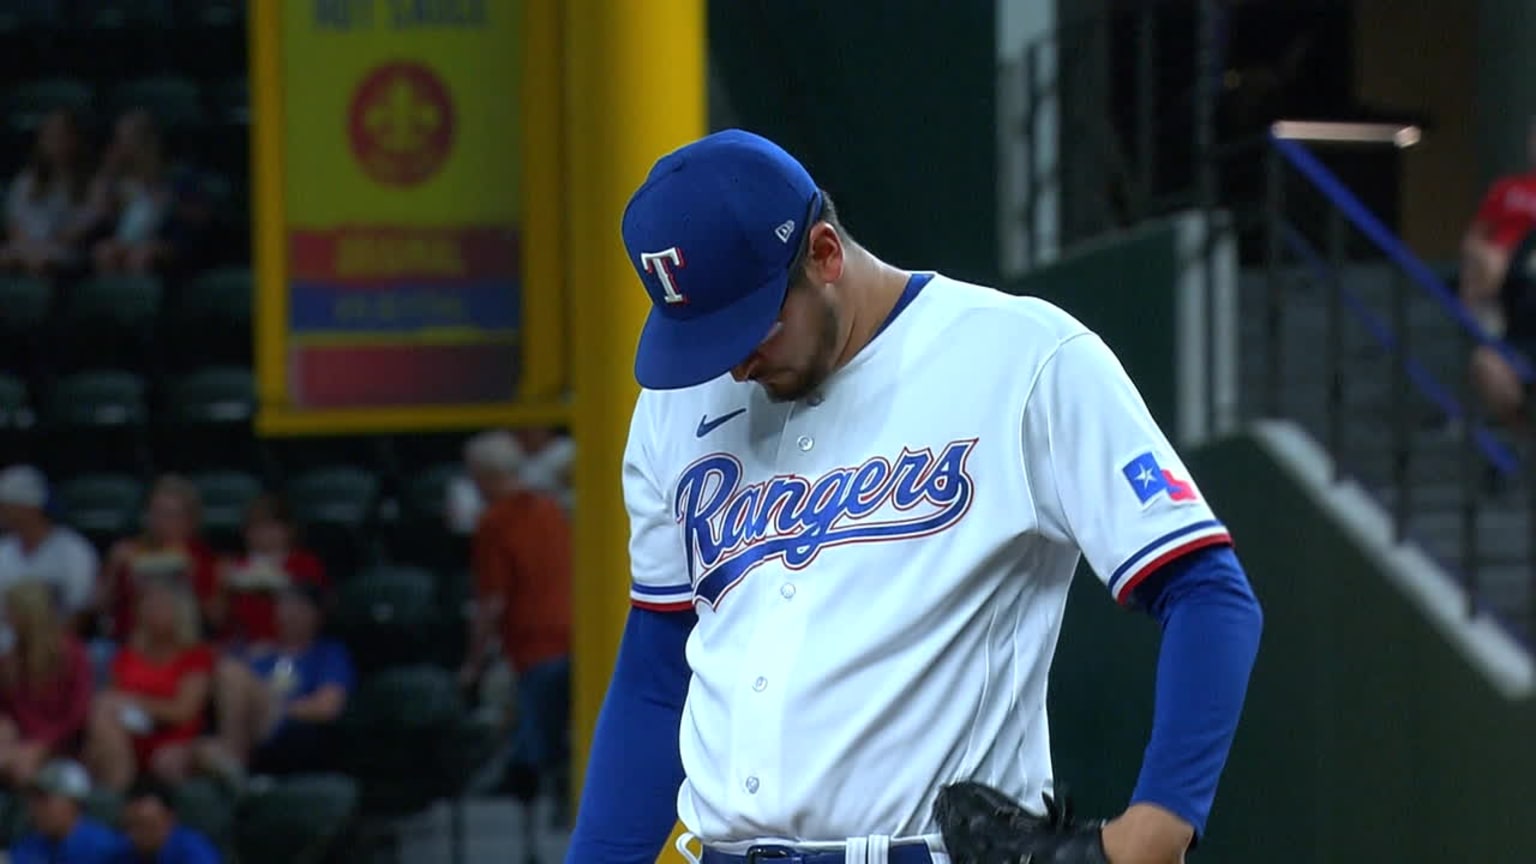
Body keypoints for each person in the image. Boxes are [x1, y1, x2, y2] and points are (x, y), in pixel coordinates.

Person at [566, 130, 1264, 864]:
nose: (734, 363)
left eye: (752, 327)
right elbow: (659, 663)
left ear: (825, 255)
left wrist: (1157, 827)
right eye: (704, 337)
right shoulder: (678, 407)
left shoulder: (1024, 359)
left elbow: (1209, 592)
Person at [459, 430, 572, 812]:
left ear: (485, 476)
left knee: (532, 736)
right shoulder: (553, 509)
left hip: (534, 644)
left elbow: (491, 601)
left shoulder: (494, 523)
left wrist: (472, 665)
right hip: (576, 637)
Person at [196, 581, 353, 783]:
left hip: (290, 732)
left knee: (231, 672)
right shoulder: (259, 653)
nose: (289, 614)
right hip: (248, 731)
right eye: (285, 606)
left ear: (316, 615)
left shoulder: (328, 653)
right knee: (192, 754)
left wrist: (274, 707)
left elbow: (327, 707)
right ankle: (242, 782)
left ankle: (235, 757)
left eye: (298, 608)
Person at [85, 576, 214, 792]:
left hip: (171, 737)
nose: (151, 612)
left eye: (160, 606)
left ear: (179, 613)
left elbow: (183, 711)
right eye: (148, 605)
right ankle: (114, 791)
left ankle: (117, 788)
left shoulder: (195, 656)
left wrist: (135, 701)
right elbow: (110, 700)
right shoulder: (128, 654)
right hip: (126, 734)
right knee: (100, 718)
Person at [102, 475, 219, 642]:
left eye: (170, 514)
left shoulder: (202, 557)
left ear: (190, 520)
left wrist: (192, 579)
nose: (161, 521)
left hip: (185, 645)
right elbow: (101, 606)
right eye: (156, 512)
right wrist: (113, 568)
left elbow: (215, 618)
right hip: (129, 644)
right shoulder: (131, 551)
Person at [0, 581, 94, 786]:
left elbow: (78, 713)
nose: (6, 619)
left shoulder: (71, 653)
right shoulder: (9, 661)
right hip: (20, 741)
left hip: (62, 742)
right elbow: (6, 712)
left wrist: (43, 743)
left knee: (22, 765)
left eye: (11, 612)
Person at [217, 495, 326, 648]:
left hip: (294, 647)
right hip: (243, 649)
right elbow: (219, 621)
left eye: (272, 527)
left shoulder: (306, 565)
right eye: (257, 527)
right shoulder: (235, 568)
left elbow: (312, 618)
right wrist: (221, 588)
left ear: (289, 530)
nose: (265, 535)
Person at [0, 465, 100, 624]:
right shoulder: (3, 550)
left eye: (4, 505)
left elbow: (80, 610)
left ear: (28, 508)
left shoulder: (74, 550)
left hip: (53, 643)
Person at [0, 108, 93, 276]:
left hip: (64, 248)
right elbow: (13, 223)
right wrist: (28, 246)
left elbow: (86, 224)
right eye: (49, 136)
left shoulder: (89, 181)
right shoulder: (26, 180)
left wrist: (48, 244)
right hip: (26, 246)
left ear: (74, 139)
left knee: (42, 261)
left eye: (60, 136)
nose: (54, 142)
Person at [9, 758, 129, 864]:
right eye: (34, 800)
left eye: (45, 799)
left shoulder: (109, 848)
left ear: (73, 804)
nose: (36, 808)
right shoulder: (32, 843)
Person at [118, 777, 220, 864]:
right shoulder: (125, 852)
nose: (134, 835)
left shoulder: (195, 852)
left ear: (169, 819)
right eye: (130, 826)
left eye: (144, 825)